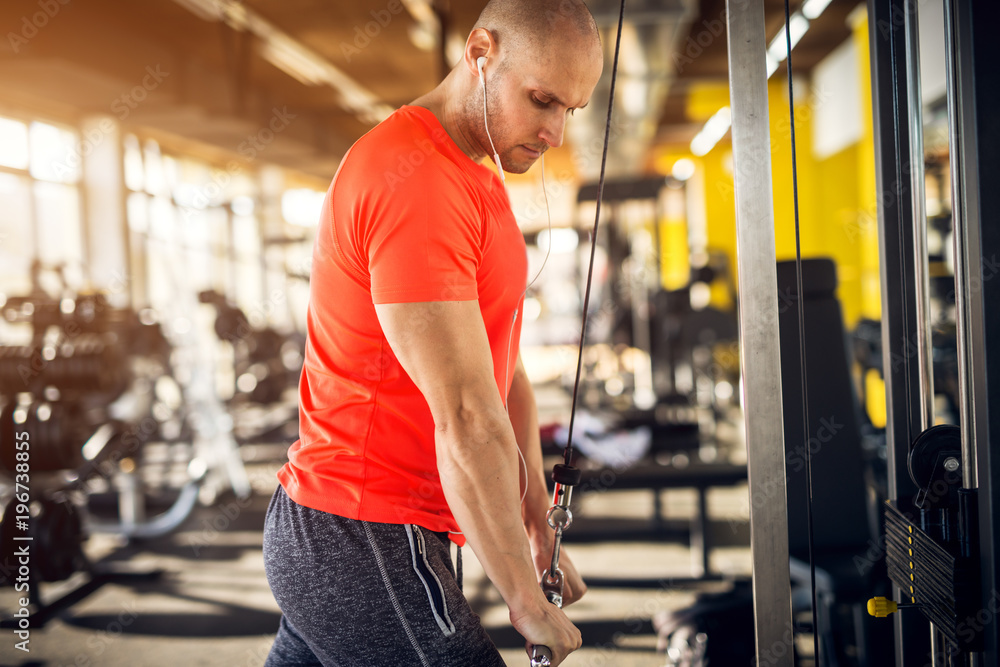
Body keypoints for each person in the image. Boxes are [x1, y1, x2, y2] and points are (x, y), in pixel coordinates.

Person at [262, 1, 604, 665]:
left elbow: (503, 375)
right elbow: (467, 415)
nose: (555, 130)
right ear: (480, 52)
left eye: (571, 109)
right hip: (362, 531)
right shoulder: (416, 176)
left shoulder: (472, 170)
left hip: (353, 534)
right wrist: (524, 602)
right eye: (541, 100)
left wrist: (535, 514)